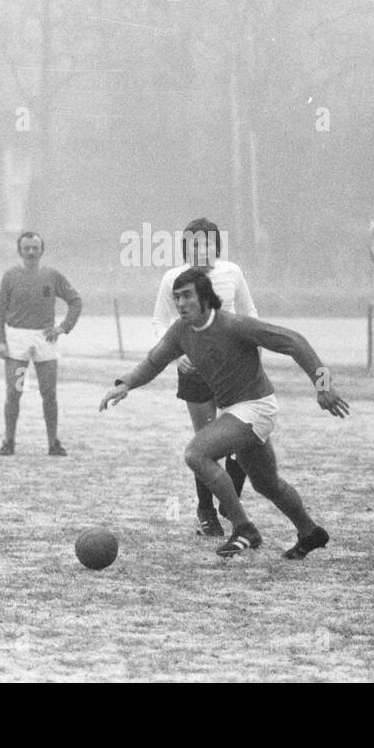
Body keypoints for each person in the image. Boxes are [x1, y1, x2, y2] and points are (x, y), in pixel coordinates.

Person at [101, 268, 349, 559]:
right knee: (266, 483)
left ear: (205, 297)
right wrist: (126, 383)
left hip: (257, 407)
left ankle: (244, 528)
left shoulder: (233, 325)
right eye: (176, 298)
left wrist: (323, 387)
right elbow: (153, 361)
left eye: (186, 296)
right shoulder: (181, 332)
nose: (180, 304)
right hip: (235, 410)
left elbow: (294, 341)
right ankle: (310, 532)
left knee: (196, 453)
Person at [152, 218, 256, 537]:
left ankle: (230, 498)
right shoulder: (173, 278)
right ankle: (206, 512)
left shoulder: (231, 273)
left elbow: (249, 312)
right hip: (196, 371)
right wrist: (177, 354)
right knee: (206, 441)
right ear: (186, 248)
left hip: (231, 369)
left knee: (242, 434)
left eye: (207, 242)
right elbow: (160, 323)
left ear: (216, 245)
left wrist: (253, 345)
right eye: (194, 243)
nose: (201, 248)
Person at [0, 231, 82, 456]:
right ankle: (9, 441)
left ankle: (53, 443)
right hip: (18, 342)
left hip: (45, 339)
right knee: (15, 391)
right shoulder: (10, 277)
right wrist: (0, 342)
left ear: (42, 250)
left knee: (48, 392)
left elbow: (75, 301)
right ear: (20, 251)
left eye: (35, 248)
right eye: (26, 248)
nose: (31, 252)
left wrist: (63, 327)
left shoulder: (51, 276)